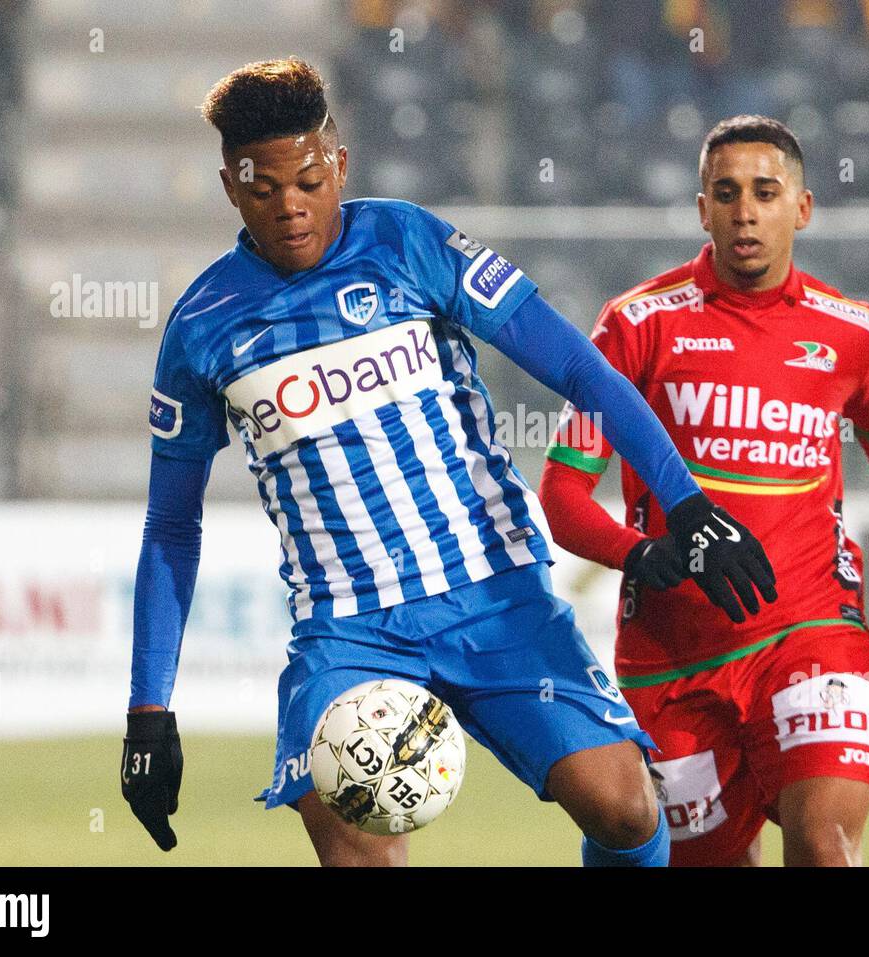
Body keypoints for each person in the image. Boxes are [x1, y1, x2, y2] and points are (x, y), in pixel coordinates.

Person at [119, 59, 776, 867]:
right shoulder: (202, 326)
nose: (290, 205)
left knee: (627, 810)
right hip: (349, 630)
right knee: (353, 838)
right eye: (263, 190)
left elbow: (578, 367)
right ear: (230, 186)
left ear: (340, 164)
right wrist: (148, 710)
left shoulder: (409, 242)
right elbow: (170, 524)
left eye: (309, 180)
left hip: (494, 593)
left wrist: (686, 503)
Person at [538, 115, 869, 866]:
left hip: (810, 633)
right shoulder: (635, 326)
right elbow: (562, 491)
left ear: (803, 207)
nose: (744, 211)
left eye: (764, 191)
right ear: (701, 209)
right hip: (673, 663)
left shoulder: (849, 330)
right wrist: (643, 554)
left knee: (825, 845)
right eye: (725, 194)